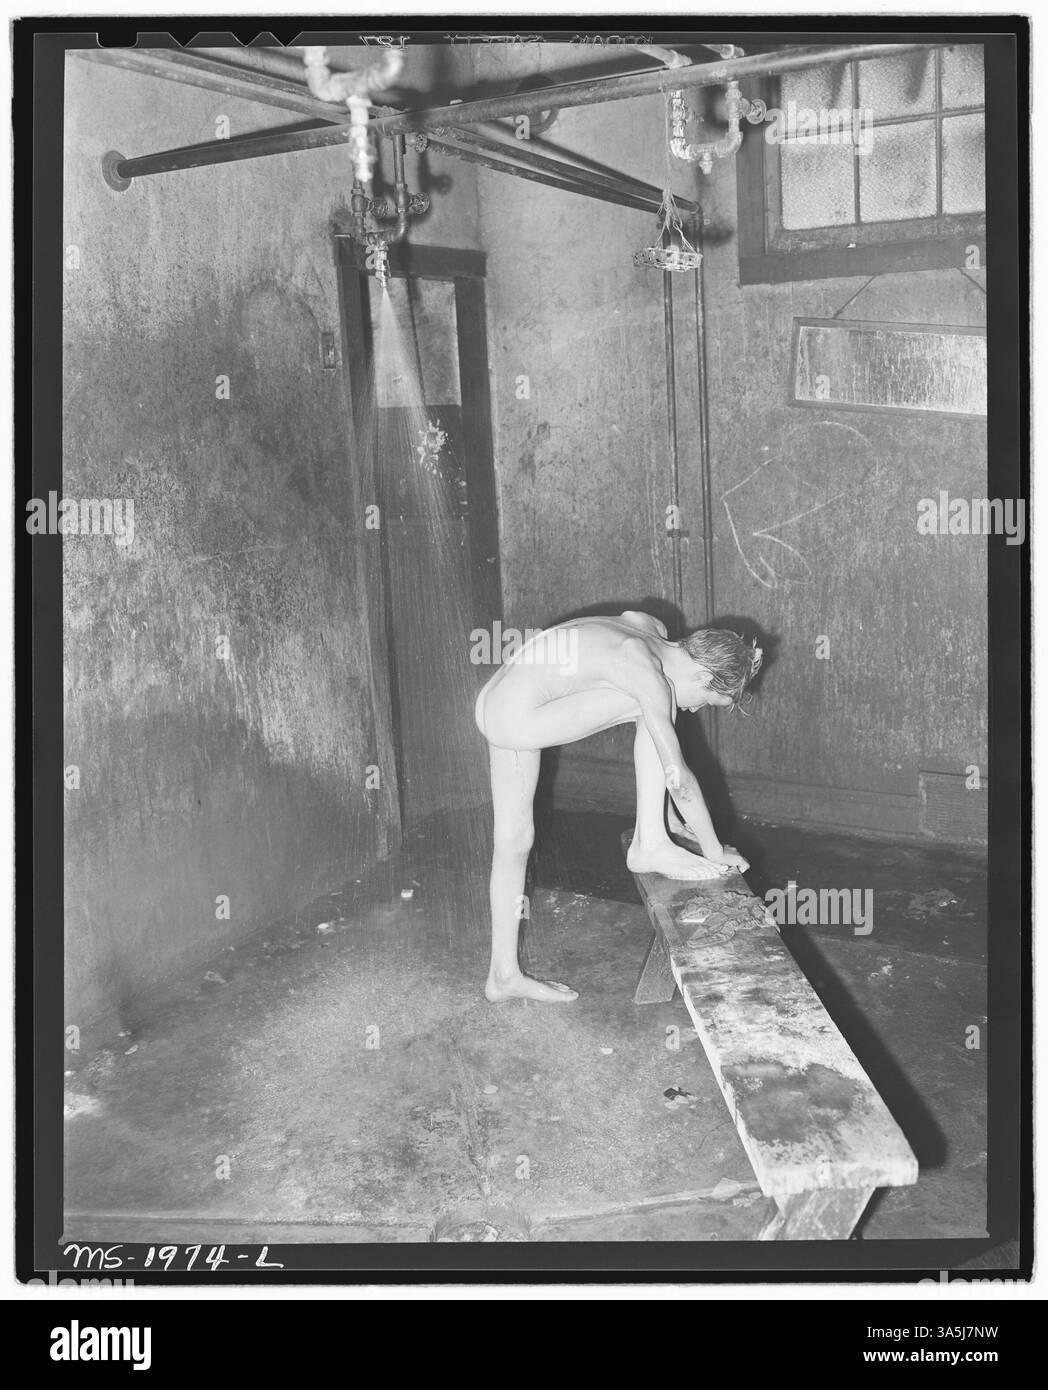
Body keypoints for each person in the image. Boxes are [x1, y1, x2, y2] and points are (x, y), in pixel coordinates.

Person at [474, 611, 763, 1002]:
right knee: (656, 705)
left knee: (514, 839)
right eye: (709, 701)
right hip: (516, 717)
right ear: (704, 677)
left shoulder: (650, 628)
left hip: (499, 702)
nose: (698, 710)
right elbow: (679, 780)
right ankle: (650, 844)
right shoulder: (649, 673)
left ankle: (503, 975)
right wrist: (714, 851)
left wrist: (675, 819)